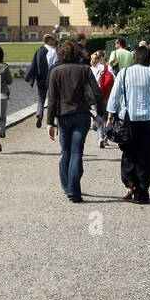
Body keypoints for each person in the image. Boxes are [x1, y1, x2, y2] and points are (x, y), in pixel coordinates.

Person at [106, 46, 150, 203]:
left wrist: (110, 116)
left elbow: (114, 97)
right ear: (149, 60)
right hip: (149, 120)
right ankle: (142, 191)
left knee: (129, 153)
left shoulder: (124, 73)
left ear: (135, 58)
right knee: (148, 156)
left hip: (128, 120)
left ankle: (130, 183)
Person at [44, 40, 107, 202]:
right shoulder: (85, 69)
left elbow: (52, 100)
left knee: (66, 151)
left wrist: (49, 123)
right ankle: (73, 189)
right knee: (77, 152)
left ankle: (67, 186)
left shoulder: (55, 72)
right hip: (82, 115)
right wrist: (100, 115)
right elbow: (98, 94)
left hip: (63, 115)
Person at [25, 34, 56, 127]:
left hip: (40, 77)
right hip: (51, 78)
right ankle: (50, 120)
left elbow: (33, 64)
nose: (55, 40)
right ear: (49, 40)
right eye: (53, 39)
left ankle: (39, 113)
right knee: (52, 99)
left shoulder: (38, 50)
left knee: (41, 98)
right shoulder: (53, 51)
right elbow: (54, 65)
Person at [90, 50, 114, 147]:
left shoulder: (91, 68)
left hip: (95, 95)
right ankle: (105, 137)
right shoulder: (108, 68)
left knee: (99, 116)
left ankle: (100, 137)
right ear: (102, 58)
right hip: (107, 94)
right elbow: (114, 80)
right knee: (109, 116)